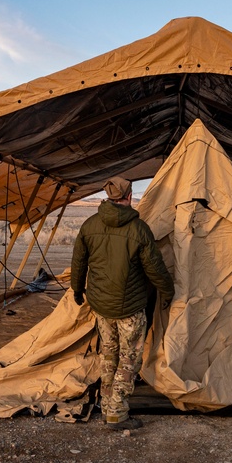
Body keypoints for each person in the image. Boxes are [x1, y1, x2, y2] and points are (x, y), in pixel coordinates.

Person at [71, 176, 174, 431]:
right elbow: (156, 269)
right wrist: (168, 291)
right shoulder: (139, 229)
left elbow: (78, 262)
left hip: (101, 306)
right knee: (129, 359)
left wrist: (76, 290)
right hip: (129, 309)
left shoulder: (89, 225)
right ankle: (117, 412)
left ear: (107, 197)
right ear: (128, 197)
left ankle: (107, 405)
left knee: (110, 354)